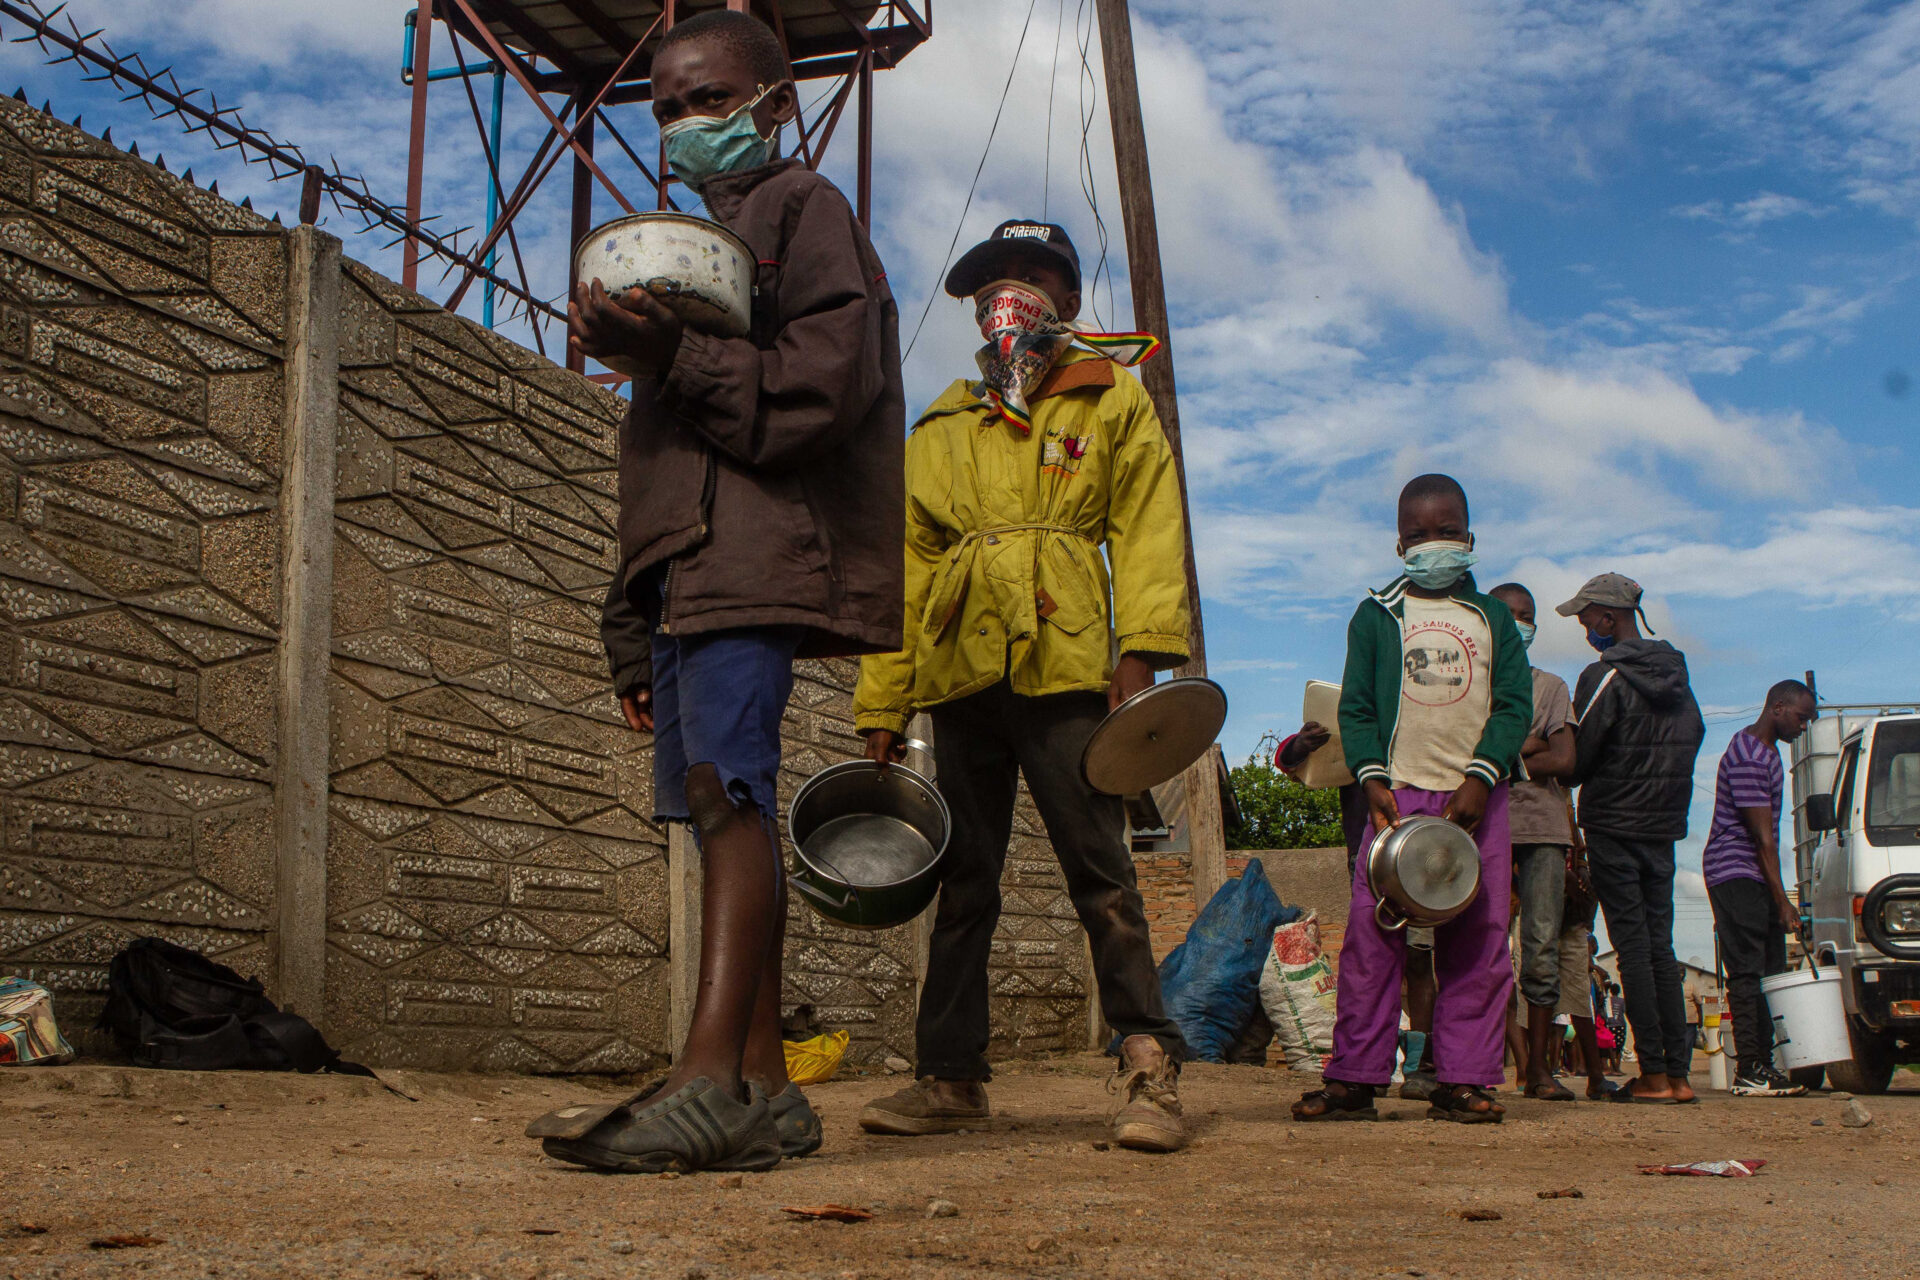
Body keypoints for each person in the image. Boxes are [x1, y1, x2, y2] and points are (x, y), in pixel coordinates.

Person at [529, 9, 904, 1173]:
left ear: (775, 105)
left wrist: (675, 357)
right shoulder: (688, 255)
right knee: (709, 807)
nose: (685, 122)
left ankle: (706, 1077)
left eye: (709, 99)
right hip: (687, 572)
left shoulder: (806, 212)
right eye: (667, 107)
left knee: (730, 793)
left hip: (753, 556)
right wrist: (629, 621)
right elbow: (658, 467)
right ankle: (766, 1087)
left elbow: (823, 384)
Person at [852, 220, 1192, 1152]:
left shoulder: (1107, 395)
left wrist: (1140, 652)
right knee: (964, 880)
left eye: (1032, 275)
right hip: (961, 672)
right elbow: (907, 570)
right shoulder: (942, 424)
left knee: (1102, 874)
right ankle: (950, 1078)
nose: (1009, 292)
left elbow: (1147, 523)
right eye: (993, 279)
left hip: (1067, 665)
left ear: (1070, 301)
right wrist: (885, 703)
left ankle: (1149, 1066)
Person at [1292, 474, 1531, 1124]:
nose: (1434, 543)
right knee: (1373, 940)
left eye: (1447, 531)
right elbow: (1358, 708)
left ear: (1470, 537)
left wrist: (1482, 777)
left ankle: (1463, 1079)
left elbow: (1514, 706)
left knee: (1479, 941)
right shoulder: (1377, 615)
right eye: (1420, 534)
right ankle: (1355, 1078)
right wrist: (1372, 780)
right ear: (1400, 544)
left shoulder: (1494, 620)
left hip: (1477, 800)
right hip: (1396, 802)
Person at [1560, 573, 1705, 1104]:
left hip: (1614, 824)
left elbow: (1579, 758)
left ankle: (1653, 1076)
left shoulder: (1605, 675)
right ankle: (1678, 1076)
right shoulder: (1677, 674)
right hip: (1662, 827)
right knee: (1661, 946)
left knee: (1633, 949)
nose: (1585, 631)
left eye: (1586, 620)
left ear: (1608, 617)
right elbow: (1695, 734)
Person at [1276, 724, 1439, 1098]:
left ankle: (1420, 1064)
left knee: (1418, 957)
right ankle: (1372, 1065)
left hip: (1420, 849)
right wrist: (1302, 744)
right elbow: (1288, 760)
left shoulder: (1418, 719)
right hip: (1368, 855)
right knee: (1373, 960)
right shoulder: (1357, 726)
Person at [1487, 581, 1599, 1101]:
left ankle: (1538, 1069)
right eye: (1509, 614)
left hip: (1543, 829)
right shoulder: (1469, 687)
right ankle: (1501, 1062)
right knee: (1485, 946)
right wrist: (1527, 745)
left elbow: (1566, 761)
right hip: (1484, 824)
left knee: (1541, 947)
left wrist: (1502, 759)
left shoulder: (1550, 686)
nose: (1520, 624)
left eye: (1528, 615)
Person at [1706, 679, 1818, 1096]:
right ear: (1777, 708)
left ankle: (1763, 1066)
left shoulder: (1766, 752)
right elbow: (1761, 837)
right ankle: (1749, 1068)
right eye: (1800, 718)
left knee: (1771, 971)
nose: (1803, 728)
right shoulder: (1751, 756)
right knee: (1748, 970)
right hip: (1735, 872)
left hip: (1753, 873)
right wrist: (1783, 900)